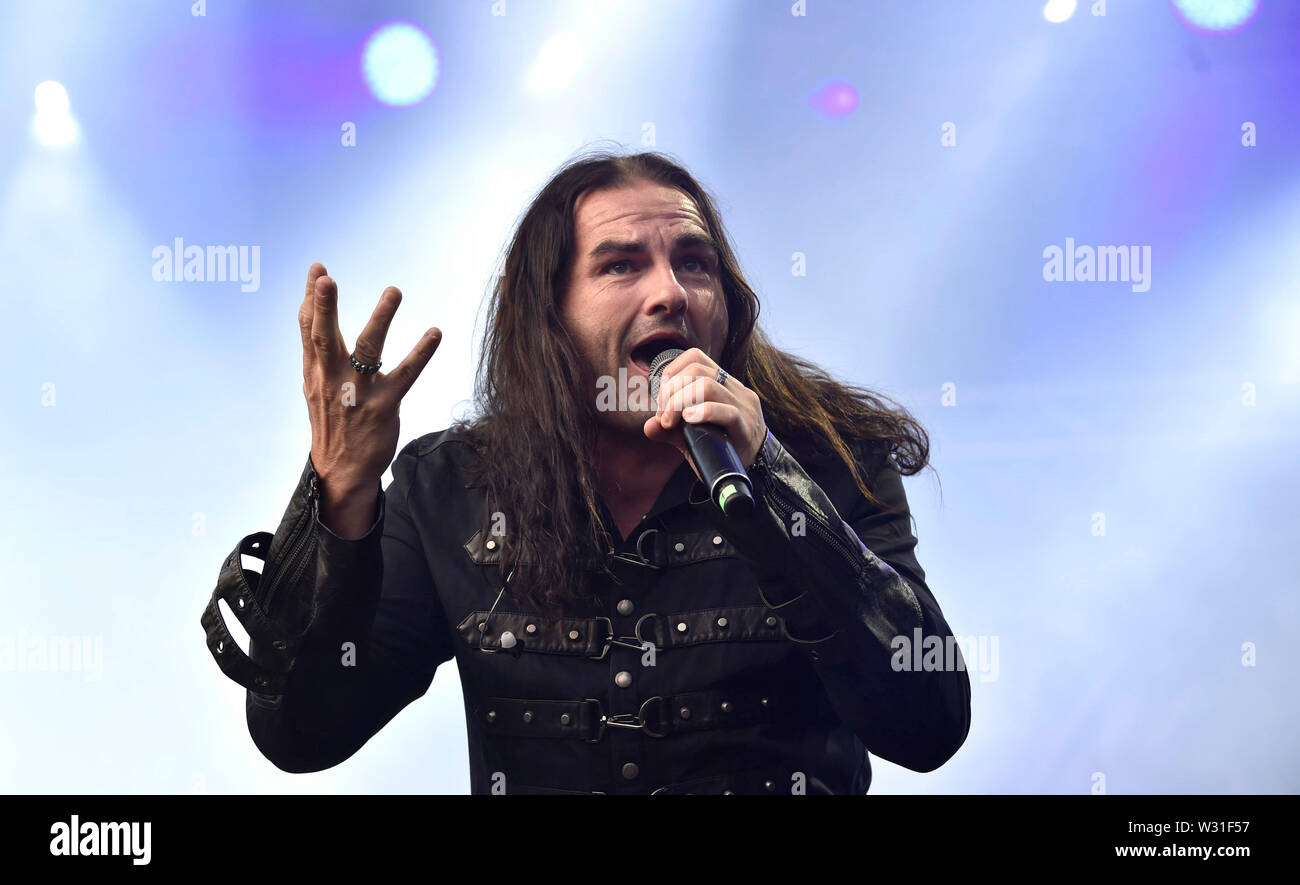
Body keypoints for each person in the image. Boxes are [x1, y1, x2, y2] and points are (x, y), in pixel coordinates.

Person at [200, 150, 971, 794]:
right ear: (547, 315)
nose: (670, 291)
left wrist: (770, 478)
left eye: (694, 262)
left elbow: (929, 721)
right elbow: (302, 732)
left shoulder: (832, 459)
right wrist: (337, 494)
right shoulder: (450, 487)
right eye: (621, 266)